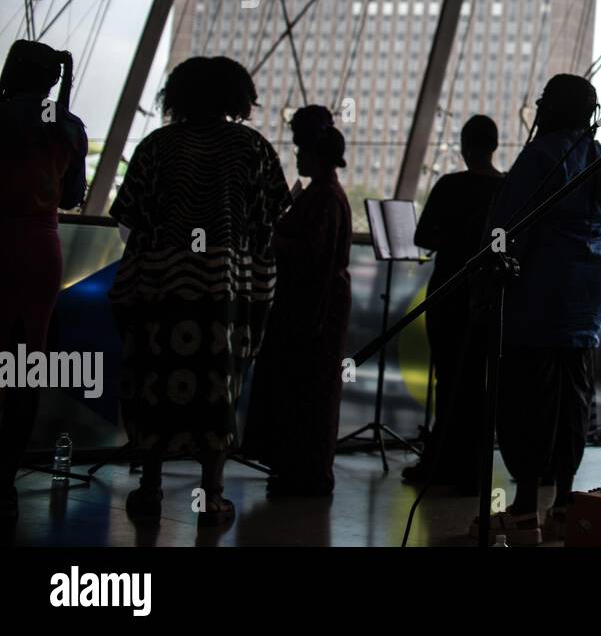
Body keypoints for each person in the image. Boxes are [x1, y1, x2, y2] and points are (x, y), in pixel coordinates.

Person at [109, 56, 290, 525]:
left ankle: (149, 489)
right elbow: (269, 226)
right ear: (237, 96)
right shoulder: (253, 149)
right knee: (217, 388)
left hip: (162, 288)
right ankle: (212, 496)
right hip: (222, 294)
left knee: (155, 382)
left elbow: (129, 221)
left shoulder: (156, 147)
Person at [473, 75, 601, 544]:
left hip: (537, 295)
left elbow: (508, 230)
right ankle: (563, 505)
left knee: (528, 397)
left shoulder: (542, 156)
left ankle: (523, 509)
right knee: (573, 398)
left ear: (548, 109)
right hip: (586, 300)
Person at [0, 41, 87, 536]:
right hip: (42, 251)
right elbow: (73, 196)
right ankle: (3, 482)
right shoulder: (68, 126)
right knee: (25, 368)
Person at [243, 110, 352, 496]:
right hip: (319, 306)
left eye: (301, 151)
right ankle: (304, 468)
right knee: (313, 391)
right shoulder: (328, 195)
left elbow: (311, 254)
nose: (297, 157)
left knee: (302, 389)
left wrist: (273, 239)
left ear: (315, 155)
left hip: (309, 308)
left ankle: (300, 469)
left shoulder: (321, 198)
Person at [403, 115, 505, 492]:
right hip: (490, 296)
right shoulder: (507, 188)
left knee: (447, 378)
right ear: (495, 146)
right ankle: (473, 466)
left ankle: (442, 462)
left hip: (448, 292)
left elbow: (423, 236)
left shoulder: (450, 186)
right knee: (481, 380)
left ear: (464, 146)